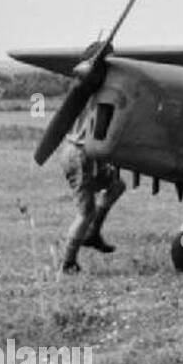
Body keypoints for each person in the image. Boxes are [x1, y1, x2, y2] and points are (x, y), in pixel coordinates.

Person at [59, 115, 125, 275]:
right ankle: (67, 263)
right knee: (86, 212)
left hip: (92, 153)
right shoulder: (98, 92)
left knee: (117, 186)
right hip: (80, 155)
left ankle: (93, 233)